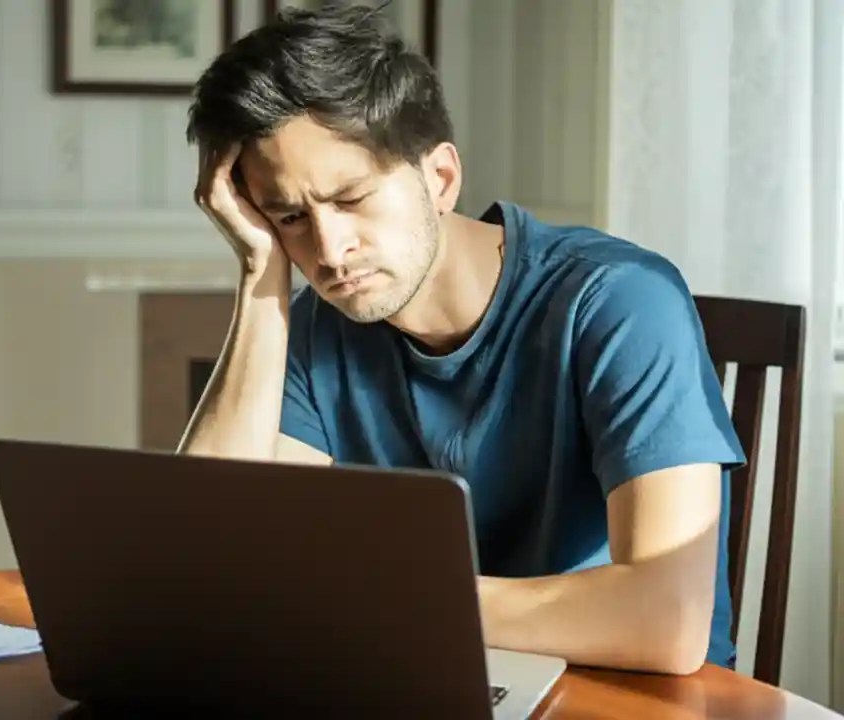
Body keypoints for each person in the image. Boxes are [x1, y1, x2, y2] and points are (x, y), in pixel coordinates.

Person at [178, 3, 745, 675]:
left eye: (352, 198)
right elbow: (204, 562)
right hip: (428, 676)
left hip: (624, 696)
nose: (329, 250)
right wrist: (260, 279)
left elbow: (666, 618)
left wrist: (372, 601)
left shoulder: (620, 302)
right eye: (291, 217)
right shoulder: (311, 329)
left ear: (440, 177)